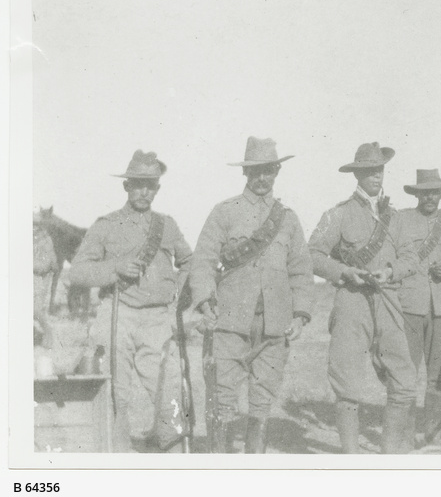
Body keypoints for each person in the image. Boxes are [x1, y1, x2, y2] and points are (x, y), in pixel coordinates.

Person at [189, 137, 315, 454]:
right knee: (224, 398)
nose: (262, 178)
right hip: (230, 323)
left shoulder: (288, 219)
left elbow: (300, 268)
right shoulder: (225, 212)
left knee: (262, 402)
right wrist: (205, 302)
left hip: (274, 327)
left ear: (276, 172)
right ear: (246, 173)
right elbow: (202, 260)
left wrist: (300, 314)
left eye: (268, 171)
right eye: (256, 171)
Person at [68, 150, 192, 452]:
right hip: (117, 315)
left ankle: (176, 463)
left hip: (157, 321)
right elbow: (78, 273)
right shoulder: (106, 225)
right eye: (137, 184)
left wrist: (177, 294)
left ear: (158, 188)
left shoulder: (168, 225)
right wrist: (115, 268)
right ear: (126, 186)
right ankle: (117, 461)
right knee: (115, 394)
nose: (144, 191)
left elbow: (189, 262)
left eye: (150, 185)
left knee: (170, 392)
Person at [308, 142, 420, 454]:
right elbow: (313, 255)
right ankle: (352, 462)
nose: (376, 175)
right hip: (352, 301)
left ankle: (388, 456)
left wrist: (390, 270)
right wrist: (344, 272)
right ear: (357, 174)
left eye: (379, 169)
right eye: (369, 170)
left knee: (405, 380)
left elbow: (411, 259)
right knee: (347, 385)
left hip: (387, 300)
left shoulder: (395, 218)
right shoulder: (339, 214)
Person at [394, 169, 441, 446]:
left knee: (437, 374)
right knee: (407, 372)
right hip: (411, 307)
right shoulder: (401, 220)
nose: (430, 197)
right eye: (425, 192)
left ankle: (432, 431)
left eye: (435, 192)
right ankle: (406, 431)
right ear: (417, 194)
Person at [33, 211, 58, 348]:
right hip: (28, 281)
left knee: (35, 310)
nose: (33, 228)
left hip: (39, 281)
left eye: (36, 224)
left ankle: (48, 333)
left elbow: (47, 264)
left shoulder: (45, 240)